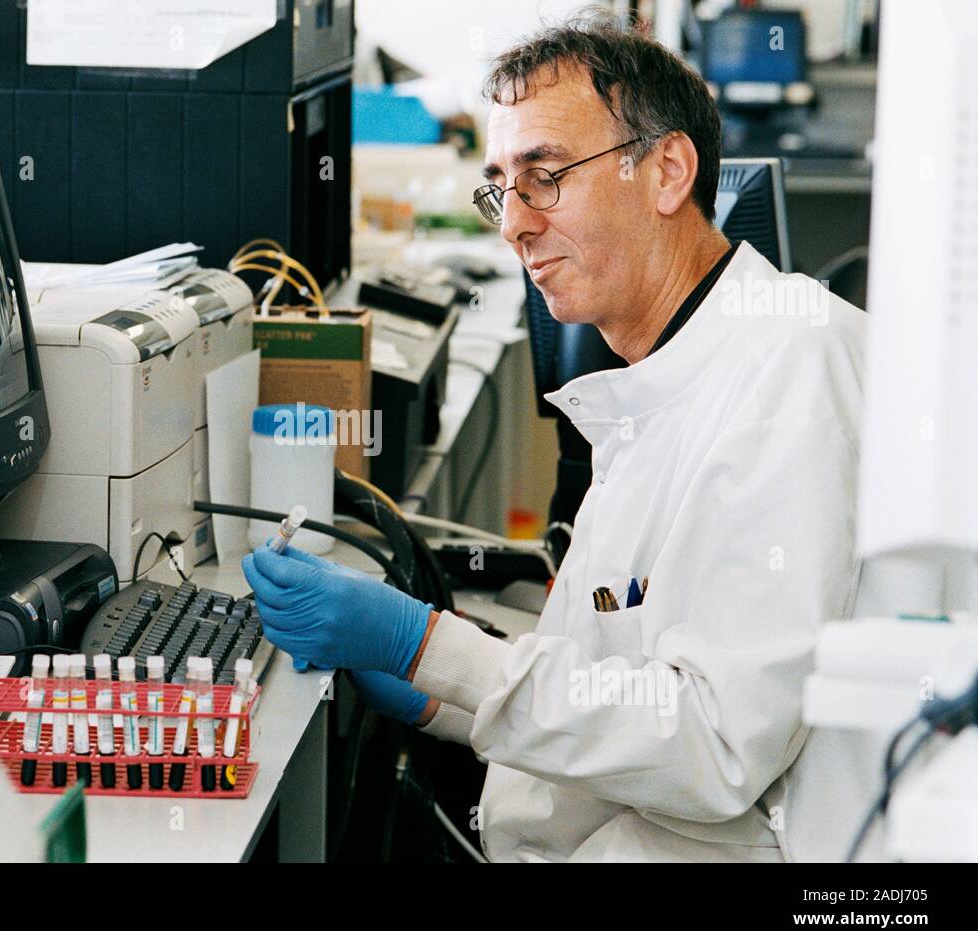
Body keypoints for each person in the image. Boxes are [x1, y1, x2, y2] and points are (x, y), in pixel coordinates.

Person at [243, 12, 866, 861]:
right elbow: (620, 680)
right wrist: (440, 695)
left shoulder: (792, 375)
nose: (513, 225)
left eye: (545, 176)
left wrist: (427, 644)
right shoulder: (666, 370)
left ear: (667, 171)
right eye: (501, 185)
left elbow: (713, 744)